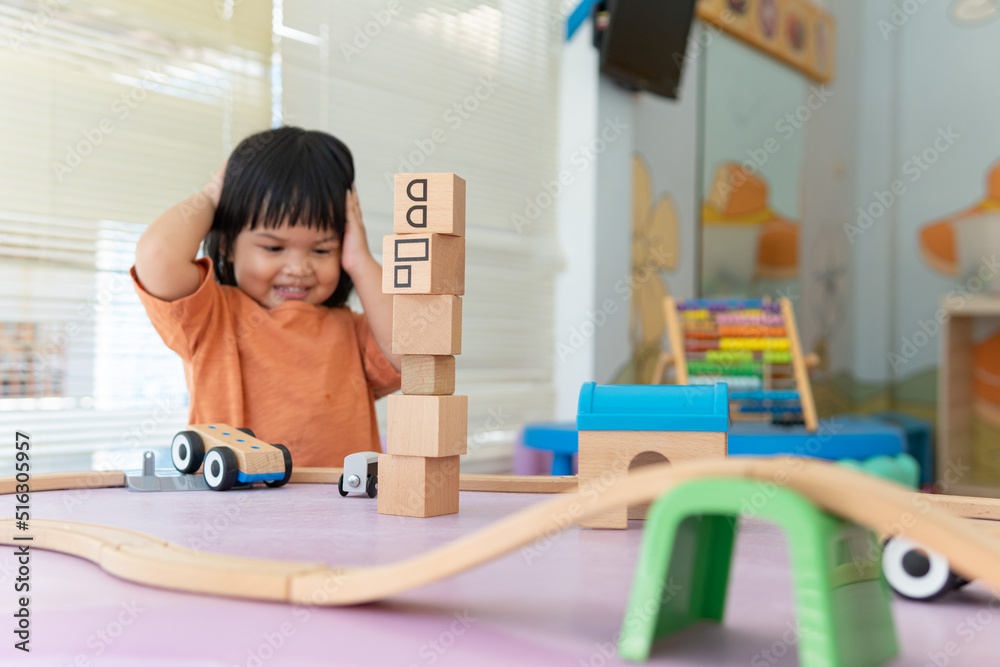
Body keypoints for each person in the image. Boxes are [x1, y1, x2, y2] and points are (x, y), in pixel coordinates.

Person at [132, 126, 400, 467]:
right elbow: (157, 256)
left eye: (322, 250)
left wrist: (361, 261)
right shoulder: (210, 318)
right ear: (227, 244)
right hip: (232, 514)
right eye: (273, 247)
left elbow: (413, 350)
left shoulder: (355, 333)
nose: (298, 268)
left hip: (345, 514)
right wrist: (215, 194)